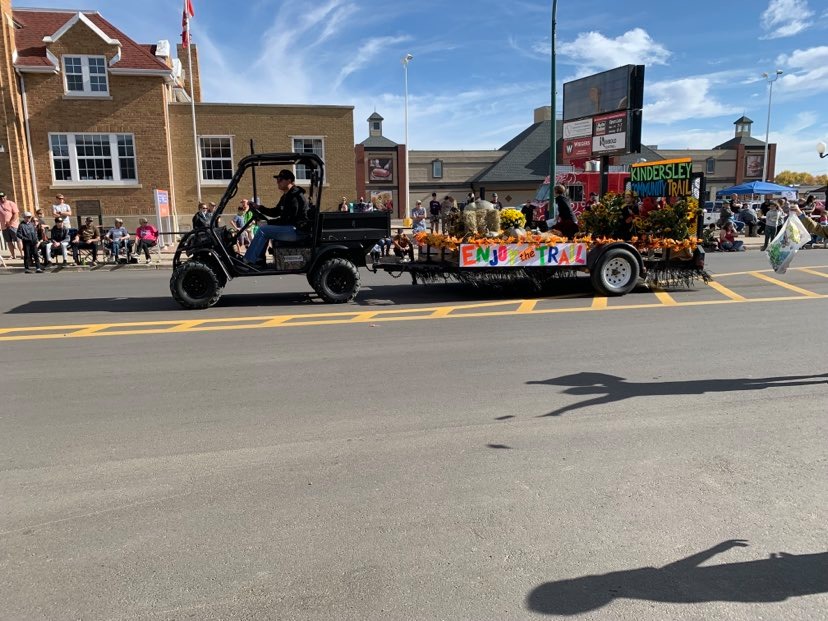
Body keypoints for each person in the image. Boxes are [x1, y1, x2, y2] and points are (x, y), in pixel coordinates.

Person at [244, 169, 310, 265]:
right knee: (265, 229)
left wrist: (268, 222)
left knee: (263, 230)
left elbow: (287, 220)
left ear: (289, 181)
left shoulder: (295, 196)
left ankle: (249, 260)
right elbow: (275, 212)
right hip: (291, 227)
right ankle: (259, 259)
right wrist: (259, 207)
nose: (277, 182)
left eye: (280, 180)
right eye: (277, 180)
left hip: (297, 230)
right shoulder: (286, 196)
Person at [0, 191, 21, 260]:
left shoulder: (11, 203)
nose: (2, 198)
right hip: (4, 226)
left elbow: (16, 214)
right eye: (0, 197)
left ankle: (22, 254)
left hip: (13, 225)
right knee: (9, 241)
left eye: (3, 196)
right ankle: (13, 255)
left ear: (6, 196)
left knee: (18, 240)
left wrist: (10, 222)